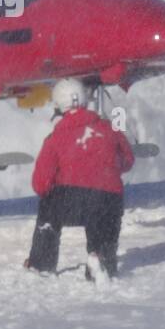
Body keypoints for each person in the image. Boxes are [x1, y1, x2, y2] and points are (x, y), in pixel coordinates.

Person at [26, 78, 135, 280]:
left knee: (48, 205)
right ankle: (101, 259)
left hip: (72, 203)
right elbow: (128, 160)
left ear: (58, 106)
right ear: (85, 100)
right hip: (109, 200)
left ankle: (41, 264)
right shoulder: (109, 128)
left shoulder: (55, 139)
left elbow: (40, 184)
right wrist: (106, 169)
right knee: (103, 221)